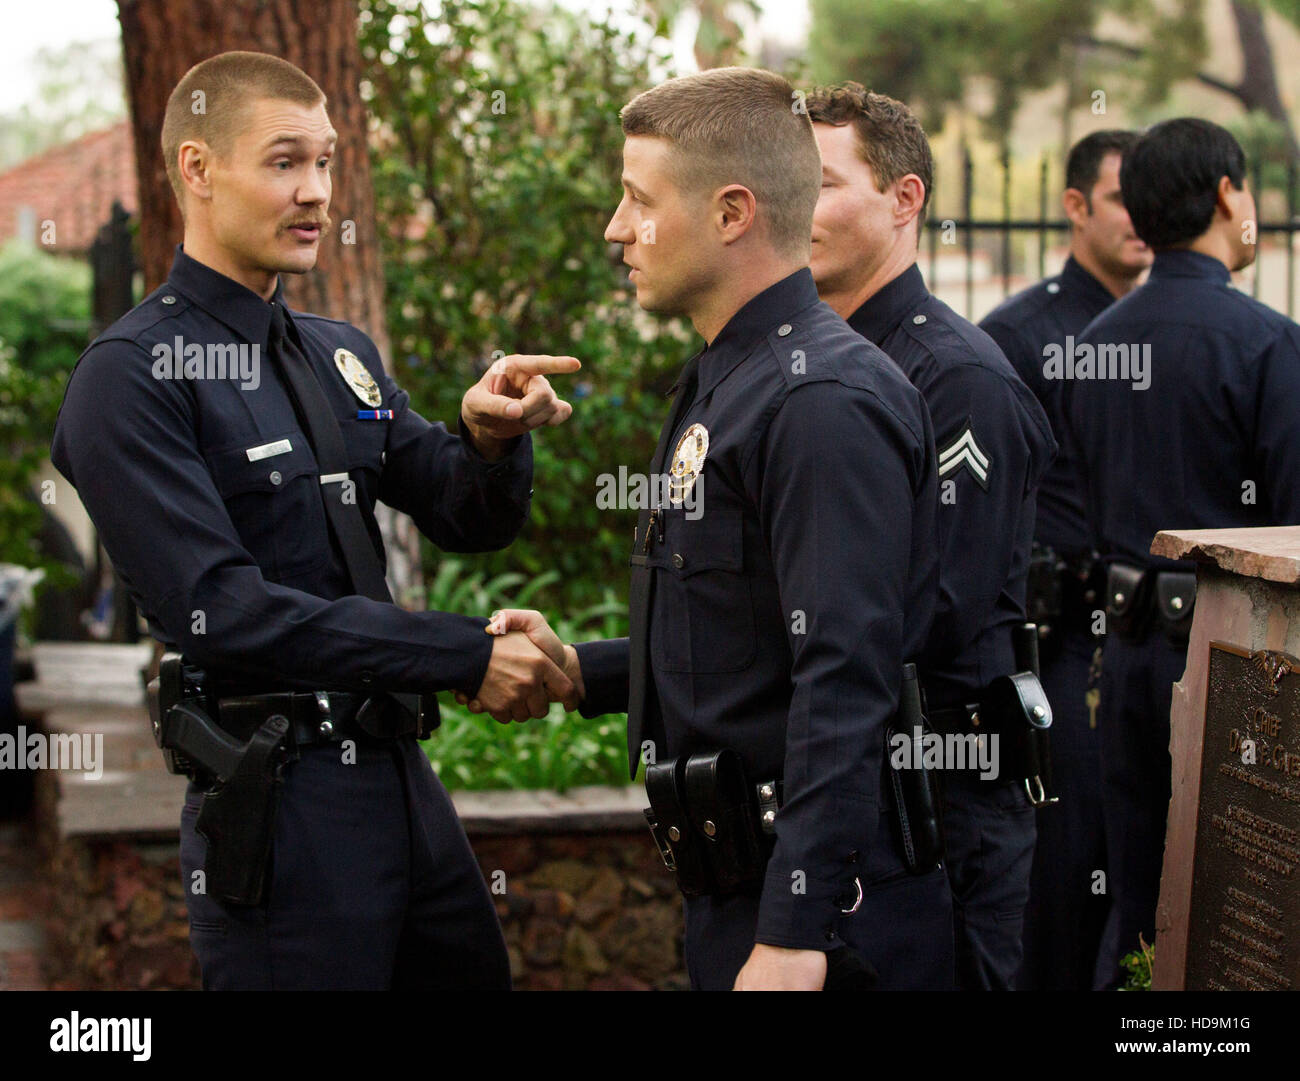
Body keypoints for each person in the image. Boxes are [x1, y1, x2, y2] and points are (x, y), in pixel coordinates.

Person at [50, 51, 580, 990]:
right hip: (283, 803)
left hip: (404, 786)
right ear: (197, 171)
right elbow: (226, 608)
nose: (318, 193)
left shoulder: (339, 356)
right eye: (285, 161)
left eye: (327, 163)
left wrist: (490, 438)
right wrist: (461, 654)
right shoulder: (130, 377)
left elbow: (462, 513)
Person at [478, 67, 954, 991]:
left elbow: (845, 676)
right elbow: (746, 629)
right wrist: (586, 670)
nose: (618, 228)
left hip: (828, 919)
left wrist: (792, 932)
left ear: (733, 212)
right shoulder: (733, 381)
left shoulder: (819, 401)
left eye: (638, 200)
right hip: (741, 891)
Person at [804, 84, 1056, 990]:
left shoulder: (956, 382)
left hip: (939, 805)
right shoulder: (811, 366)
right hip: (848, 802)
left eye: (824, 183)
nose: (798, 207)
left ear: (904, 200)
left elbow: (925, 618)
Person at [1062, 117, 1300, 989]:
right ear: (1229, 194)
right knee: (1243, 924)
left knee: (1141, 908)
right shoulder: (1270, 344)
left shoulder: (1091, 349)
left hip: (1123, 659)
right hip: (1245, 674)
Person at [979, 130, 1152, 990]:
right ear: (1075, 206)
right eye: (1123, 197)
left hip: (1159, 650)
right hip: (1058, 657)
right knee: (1062, 893)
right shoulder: (1018, 334)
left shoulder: (1164, 331)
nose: (1141, 218)